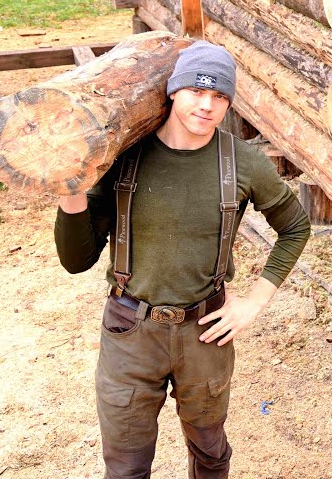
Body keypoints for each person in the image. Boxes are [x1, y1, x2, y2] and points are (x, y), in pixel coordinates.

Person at [53, 41, 312, 478]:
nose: (207, 105)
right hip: (130, 331)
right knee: (126, 465)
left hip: (206, 334)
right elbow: (76, 260)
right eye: (196, 91)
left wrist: (252, 303)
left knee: (210, 454)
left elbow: (295, 227)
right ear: (174, 91)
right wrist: (71, 193)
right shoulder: (122, 158)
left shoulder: (242, 162)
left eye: (220, 96)